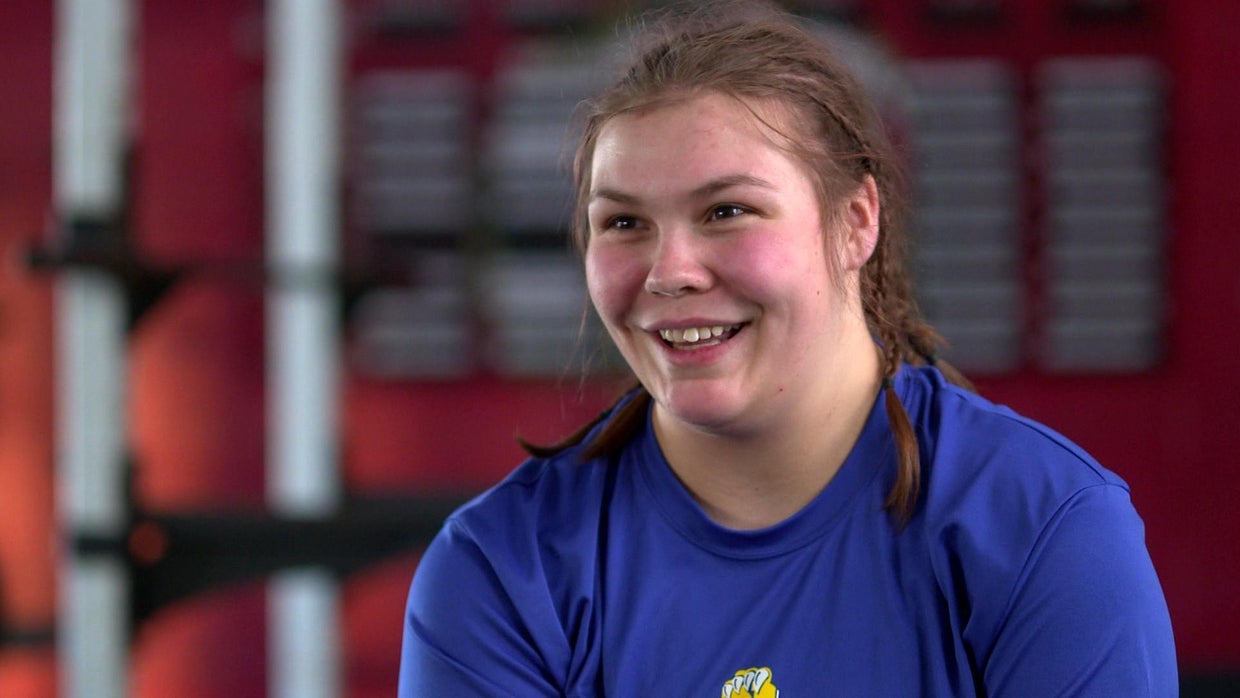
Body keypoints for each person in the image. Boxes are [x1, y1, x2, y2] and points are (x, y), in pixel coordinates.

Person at [398, 1, 1177, 695]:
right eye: (624, 223)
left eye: (727, 211)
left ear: (856, 222)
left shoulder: (1046, 532)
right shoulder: (503, 570)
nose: (669, 272)